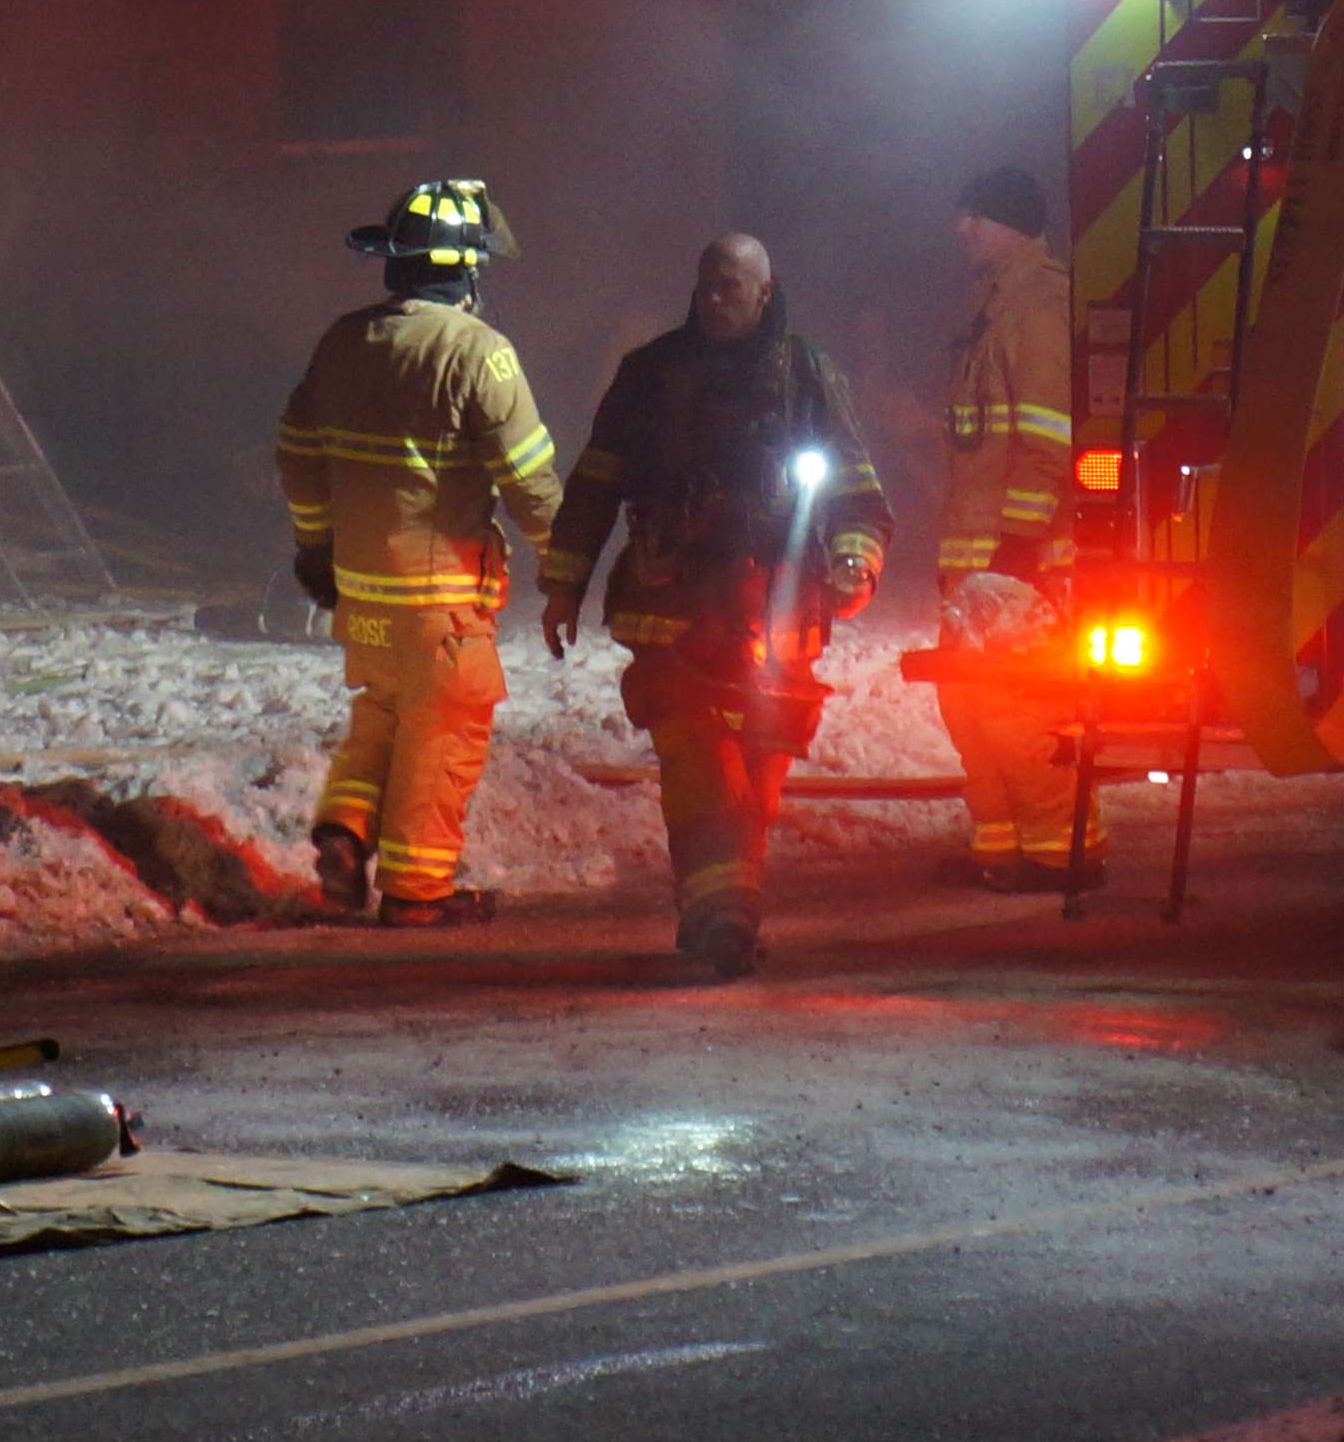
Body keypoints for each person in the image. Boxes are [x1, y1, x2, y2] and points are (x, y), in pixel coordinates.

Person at [537, 234, 890, 980]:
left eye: (730, 285)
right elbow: (595, 483)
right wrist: (565, 583)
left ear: (766, 290)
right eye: (705, 285)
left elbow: (859, 491)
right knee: (700, 758)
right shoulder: (651, 374)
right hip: (678, 610)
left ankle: (719, 910)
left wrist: (857, 559)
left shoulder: (807, 375)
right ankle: (724, 916)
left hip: (779, 611)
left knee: (757, 777)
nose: (713, 298)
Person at [276, 178, 561, 927]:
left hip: (361, 594)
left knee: (384, 716)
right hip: (440, 599)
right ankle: (417, 892)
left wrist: (316, 547)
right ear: (466, 270)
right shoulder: (480, 354)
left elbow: (297, 452)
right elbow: (529, 480)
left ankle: (344, 829)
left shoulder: (343, 340)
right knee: (446, 733)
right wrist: (568, 561)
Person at [920, 166, 1090, 893]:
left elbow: (1049, 437)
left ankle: (1063, 853)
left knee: (1020, 709)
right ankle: (1000, 848)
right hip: (973, 557)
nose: (961, 229)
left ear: (1012, 224)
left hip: (1011, 559)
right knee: (967, 704)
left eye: (975, 216)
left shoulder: (1040, 307)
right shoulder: (990, 306)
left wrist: (1018, 549)